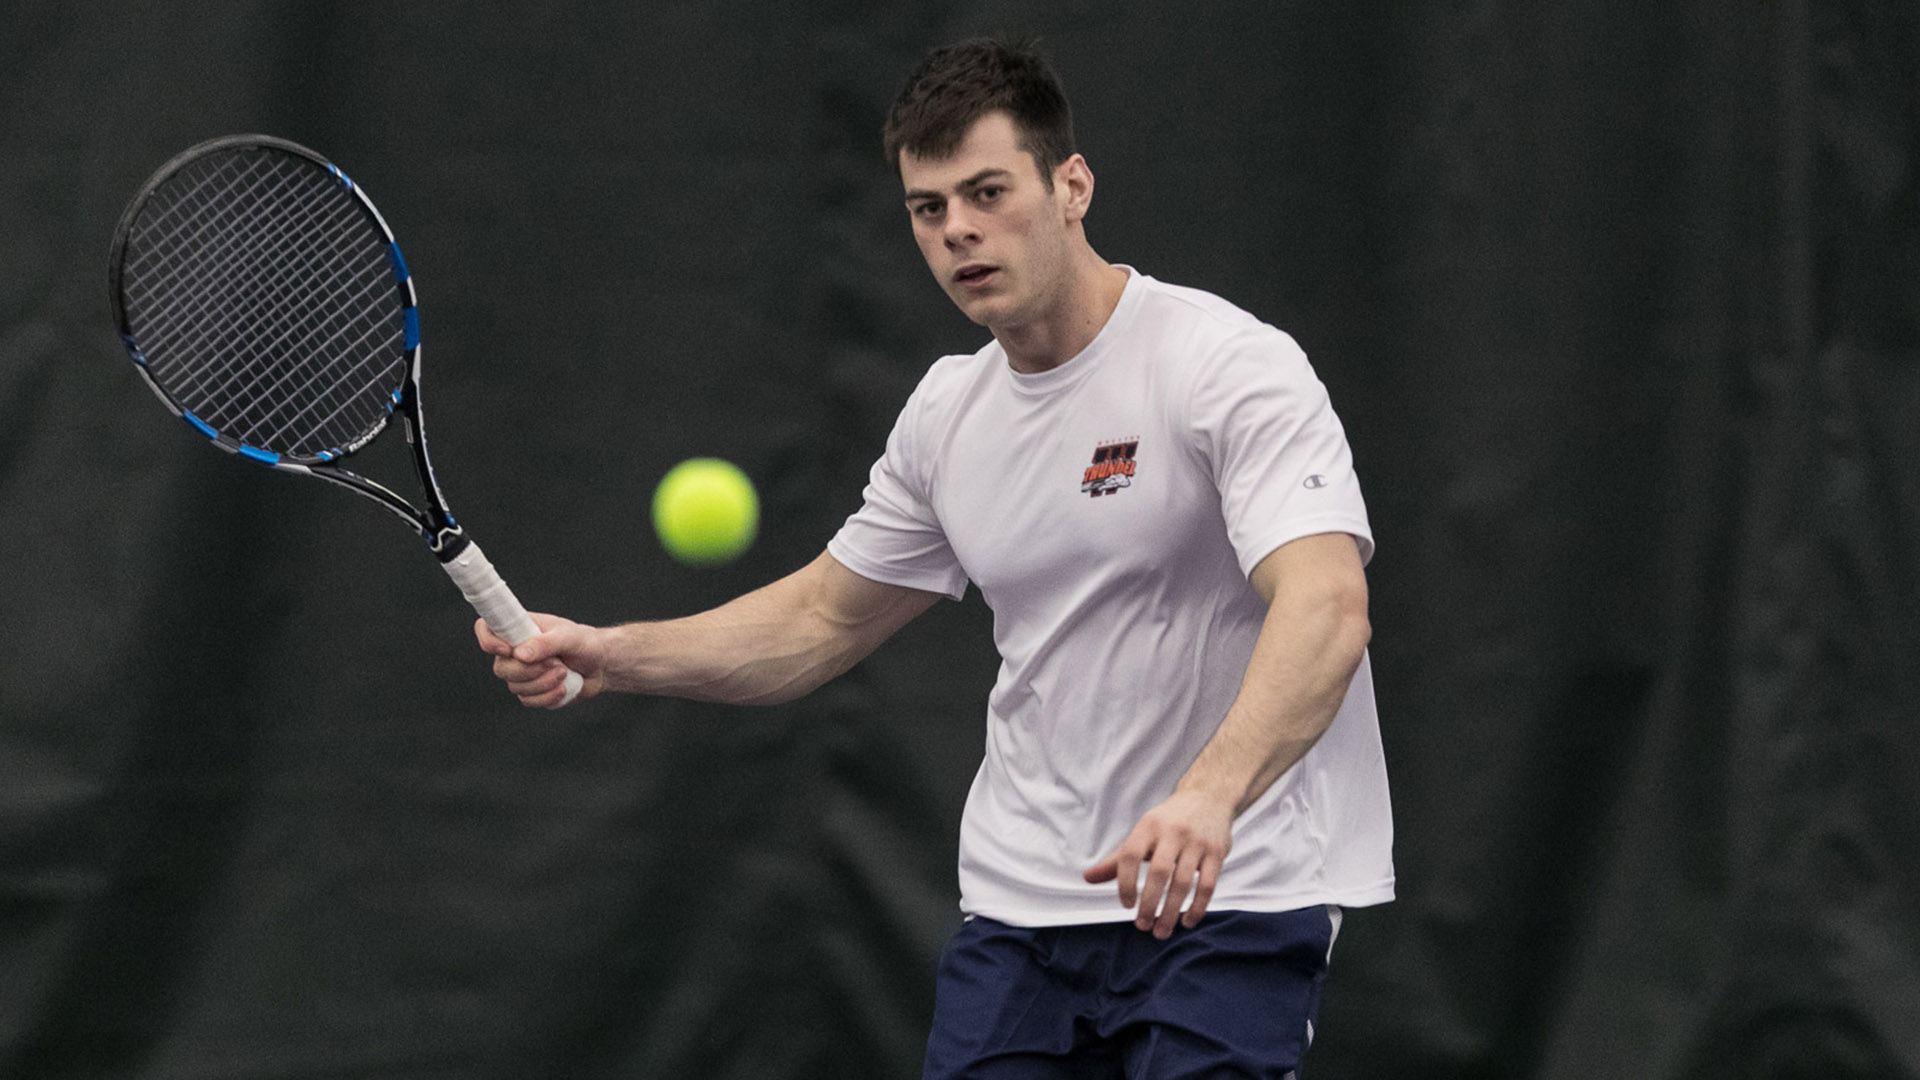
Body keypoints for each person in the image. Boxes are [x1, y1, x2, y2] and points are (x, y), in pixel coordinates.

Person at [478, 36, 1393, 1080]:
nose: (959, 229)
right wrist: (607, 653)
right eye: (928, 208)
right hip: (1022, 912)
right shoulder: (947, 414)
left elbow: (1326, 607)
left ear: (1071, 187)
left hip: (1230, 893)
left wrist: (1207, 796)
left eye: (987, 191)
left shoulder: (1227, 368)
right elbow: (820, 619)